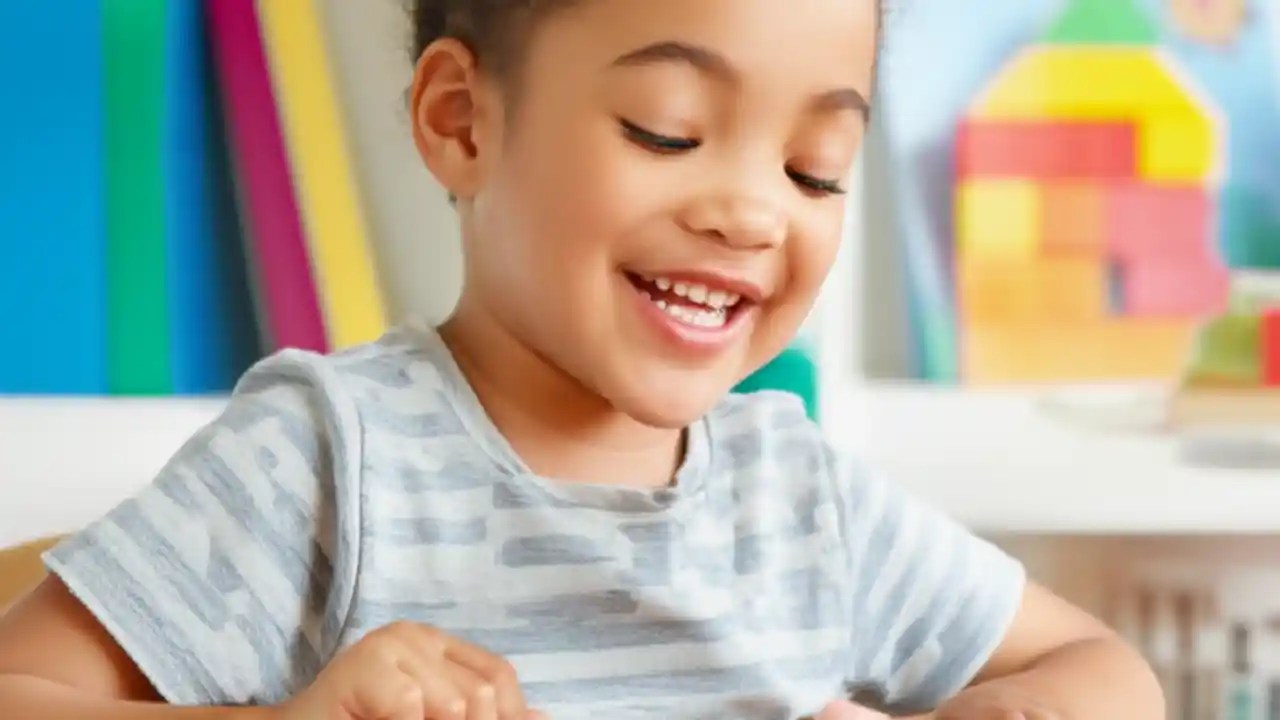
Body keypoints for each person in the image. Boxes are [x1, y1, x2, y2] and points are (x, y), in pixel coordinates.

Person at [0, 1, 1164, 718]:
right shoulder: (330, 461)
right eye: (666, 130)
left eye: (814, 167)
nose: (752, 214)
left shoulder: (801, 501)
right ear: (461, 120)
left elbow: (1105, 669)